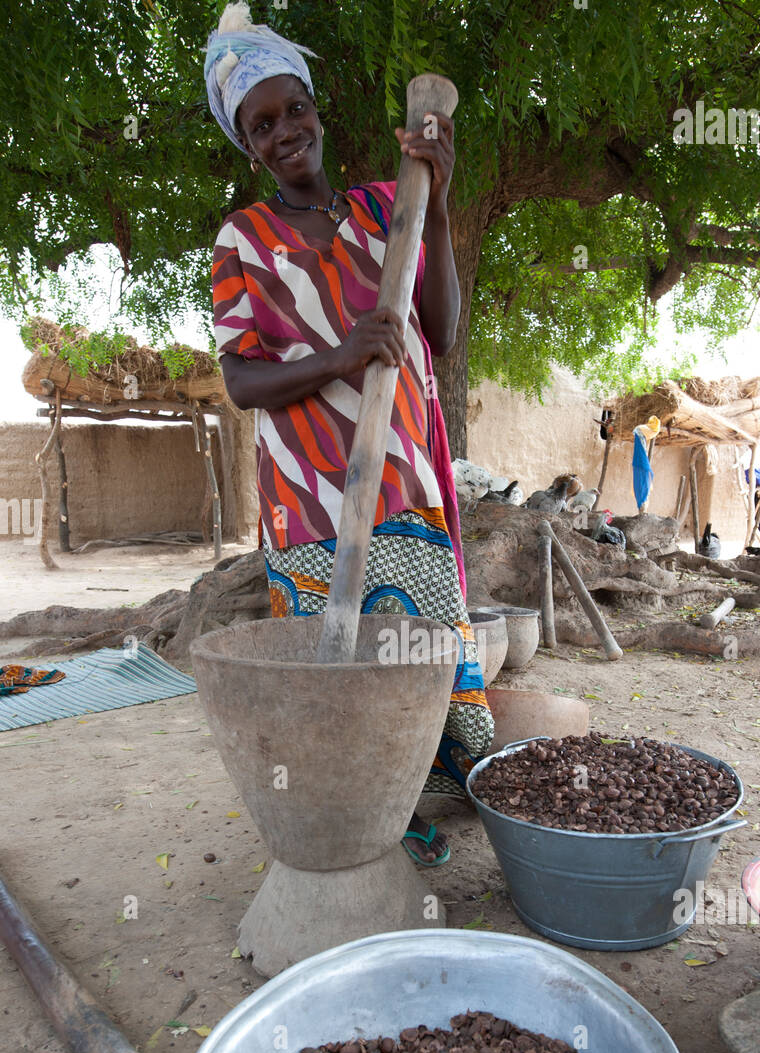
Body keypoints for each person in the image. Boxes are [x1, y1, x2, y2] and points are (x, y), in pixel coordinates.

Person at [205, 3, 493, 865]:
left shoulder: (384, 209)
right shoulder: (242, 241)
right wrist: (338, 356)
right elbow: (242, 379)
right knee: (337, 662)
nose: (285, 131)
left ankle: (424, 785)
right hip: (309, 496)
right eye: (263, 125)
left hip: (401, 482)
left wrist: (434, 204)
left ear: (315, 109)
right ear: (248, 144)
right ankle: (358, 803)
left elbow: (436, 332)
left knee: (420, 652)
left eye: (294, 109)